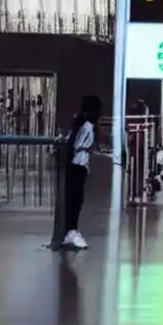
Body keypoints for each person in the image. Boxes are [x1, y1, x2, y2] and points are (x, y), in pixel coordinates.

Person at [62, 95, 101, 250]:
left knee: (76, 199)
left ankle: (72, 230)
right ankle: (72, 230)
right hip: (77, 164)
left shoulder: (82, 124)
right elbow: (77, 144)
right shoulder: (86, 125)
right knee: (75, 199)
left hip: (79, 164)